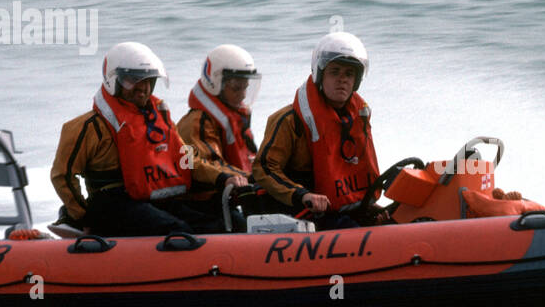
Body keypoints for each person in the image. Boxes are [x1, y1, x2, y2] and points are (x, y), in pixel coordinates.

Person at [51, 41, 235, 236]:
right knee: (178, 231)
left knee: (215, 225)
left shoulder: (160, 119)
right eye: (133, 80)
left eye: (149, 81)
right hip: (111, 204)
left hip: (151, 199)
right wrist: (82, 216)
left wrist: (222, 177)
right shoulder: (88, 127)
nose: (143, 88)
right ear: (113, 80)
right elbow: (62, 175)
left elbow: (186, 160)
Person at [251, 32, 384, 229]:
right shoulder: (289, 120)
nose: (342, 80)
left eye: (349, 74)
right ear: (320, 74)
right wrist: (301, 194)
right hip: (304, 211)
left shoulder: (358, 118)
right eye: (335, 72)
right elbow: (264, 168)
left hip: (340, 210)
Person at [177, 45, 258, 201]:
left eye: (245, 88)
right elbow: (196, 164)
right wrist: (248, 177)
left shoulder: (237, 118)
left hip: (233, 197)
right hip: (205, 202)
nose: (242, 96)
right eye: (236, 88)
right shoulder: (196, 122)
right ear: (215, 82)